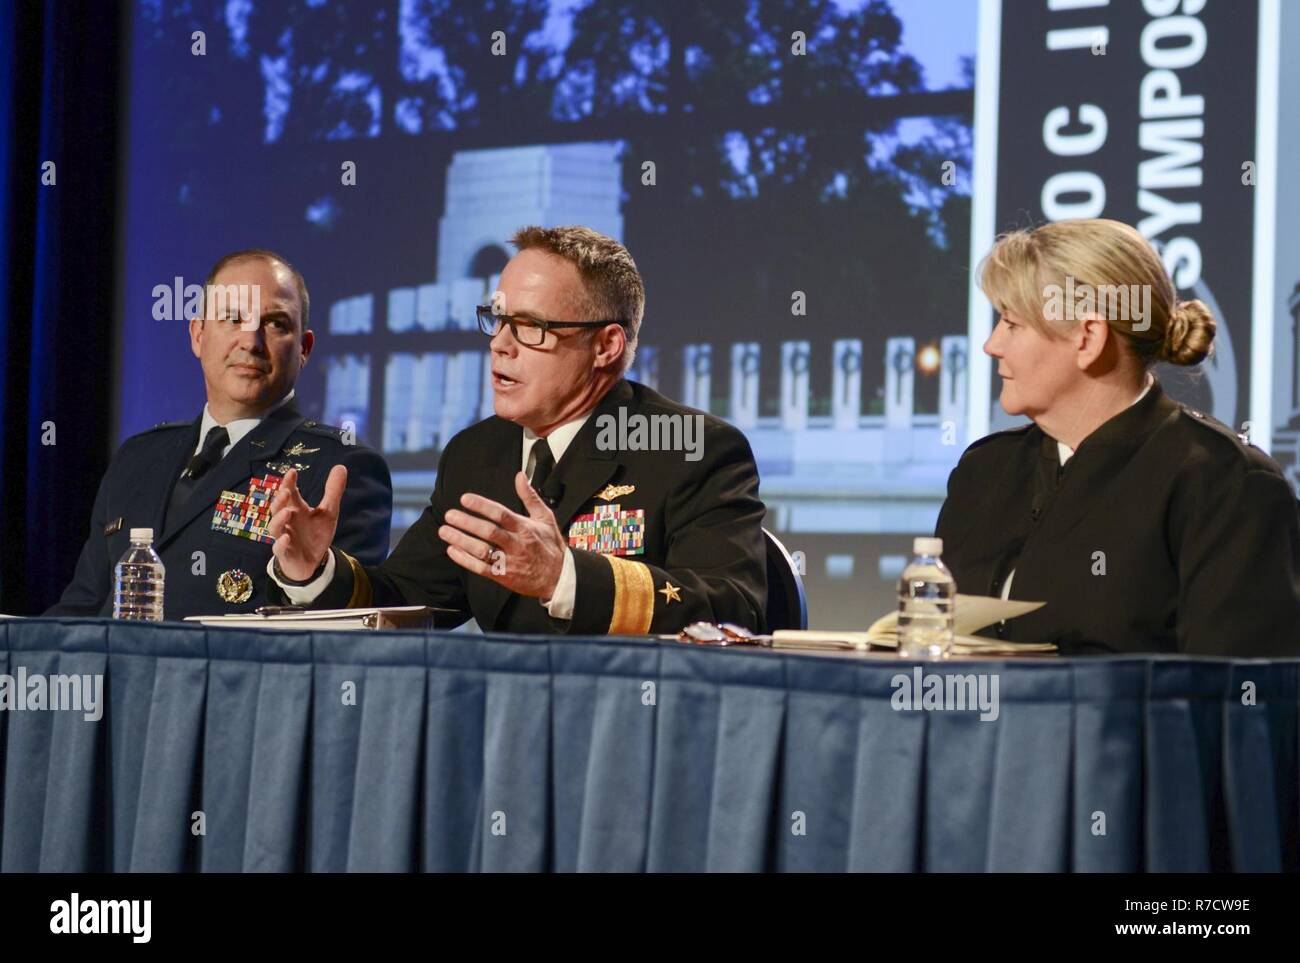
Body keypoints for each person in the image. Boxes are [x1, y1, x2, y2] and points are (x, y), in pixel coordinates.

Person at [266, 225, 767, 635]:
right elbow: (409, 602)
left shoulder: (690, 450)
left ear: (606, 345)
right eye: (497, 320)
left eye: (531, 327)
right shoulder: (477, 454)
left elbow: (734, 608)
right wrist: (317, 569)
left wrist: (563, 578)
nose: (500, 345)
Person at [936, 218, 1300, 657]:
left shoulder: (1227, 486)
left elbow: (1235, 704)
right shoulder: (983, 471)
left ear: (1088, 339)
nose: (991, 345)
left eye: (1012, 324)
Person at [47, 249, 392, 619]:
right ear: (198, 335)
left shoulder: (341, 465)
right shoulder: (139, 457)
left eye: (275, 324)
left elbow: (361, 624)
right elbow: (82, 608)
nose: (251, 341)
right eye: (232, 318)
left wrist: (314, 575)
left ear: (304, 349)